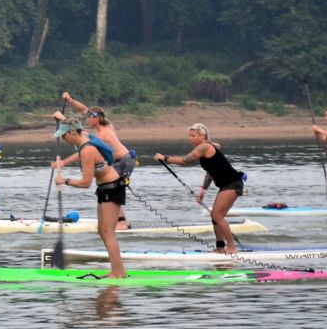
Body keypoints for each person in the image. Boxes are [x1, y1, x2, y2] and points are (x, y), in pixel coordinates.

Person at [52, 120, 126, 278]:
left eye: (64, 136)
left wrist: (65, 181)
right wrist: (59, 118)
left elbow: (86, 183)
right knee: (102, 231)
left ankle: (119, 272)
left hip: (112, 188)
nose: (64, 139)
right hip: (104, 188)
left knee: (108, 232)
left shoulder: (87, 150)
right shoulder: (84, 140)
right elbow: (76, 126)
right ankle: (117, 270)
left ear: (72, 132)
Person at [154, 123, 244, 253]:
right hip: (226, 185)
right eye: (189, 136)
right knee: (215, 216)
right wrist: (202, 191)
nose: (190, 138)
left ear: (203, 135)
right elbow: (210, 173)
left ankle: (231, 248)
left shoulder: (205, 147)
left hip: (233, 183)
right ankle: (220, 247)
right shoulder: (205, 149)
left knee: (217, 215)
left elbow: (185, 160)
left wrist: (165, 158)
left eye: (193, 136)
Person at [53, 92, 136, 229]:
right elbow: (83, 109)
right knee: (108, 187)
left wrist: (63, 162)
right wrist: (70, 100)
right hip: (119, 161)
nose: (87, 120)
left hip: (124, 161)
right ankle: (116, 219)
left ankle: (121, 222)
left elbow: (82, 141)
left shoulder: (102, 135)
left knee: (113, 187)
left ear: (96, 119)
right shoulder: (106, 123)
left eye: (89, 118)